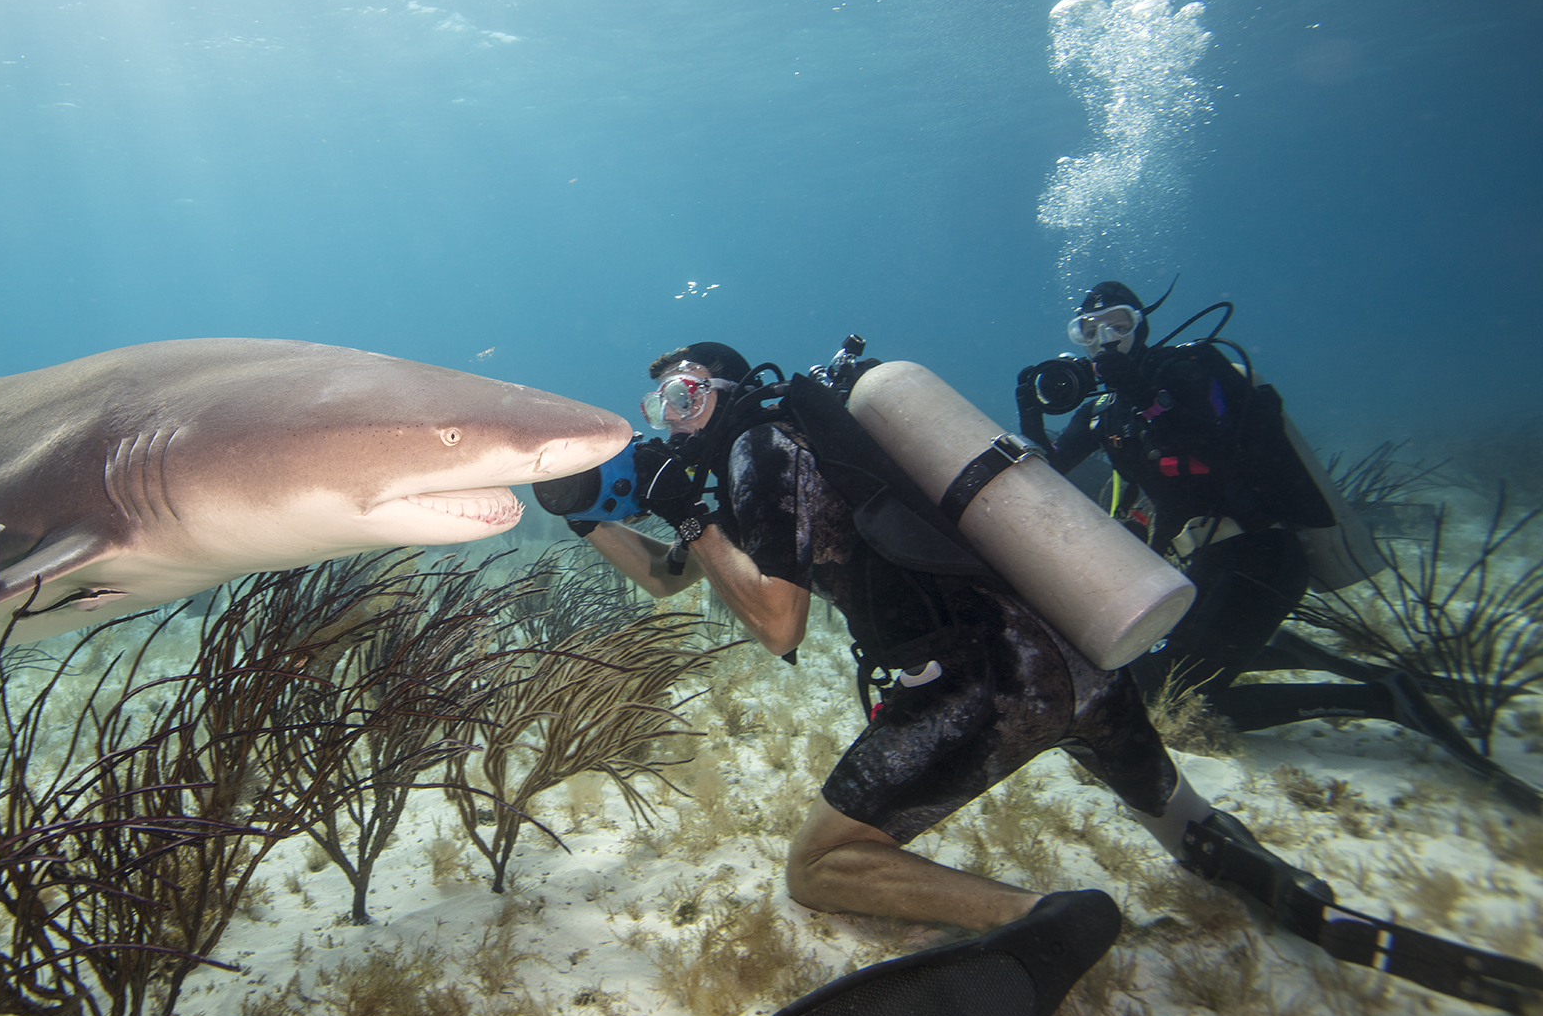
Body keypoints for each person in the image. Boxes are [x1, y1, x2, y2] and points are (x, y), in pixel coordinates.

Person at [577, 340, 1243, 934]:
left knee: (816, 867)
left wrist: (689, 513)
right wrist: (587, 517)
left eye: (682, 394)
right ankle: (1284, 890)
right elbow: (670, 577)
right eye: (657, 403)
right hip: (1073, 647)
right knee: (1185, 821)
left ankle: (1042, 918)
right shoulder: (782, 451)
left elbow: (779, 625)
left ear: (725, 390)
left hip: (986, 680)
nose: (669, 416)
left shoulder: (759, 448)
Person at [1014, 282, 1502, 774]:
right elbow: (1049, 476)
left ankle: (1385, 699)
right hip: (1202, 566)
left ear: (1142, 325)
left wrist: (1148, 396)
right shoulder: (1103, 412)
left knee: (1178, 702)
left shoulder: (1188, 370)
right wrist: (1030, 420)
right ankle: (1282, 648)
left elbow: (1219, 442)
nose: (1105, 338)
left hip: (1262, 559)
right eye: (1089, 329)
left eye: (1118, 323)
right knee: (1138, 675)